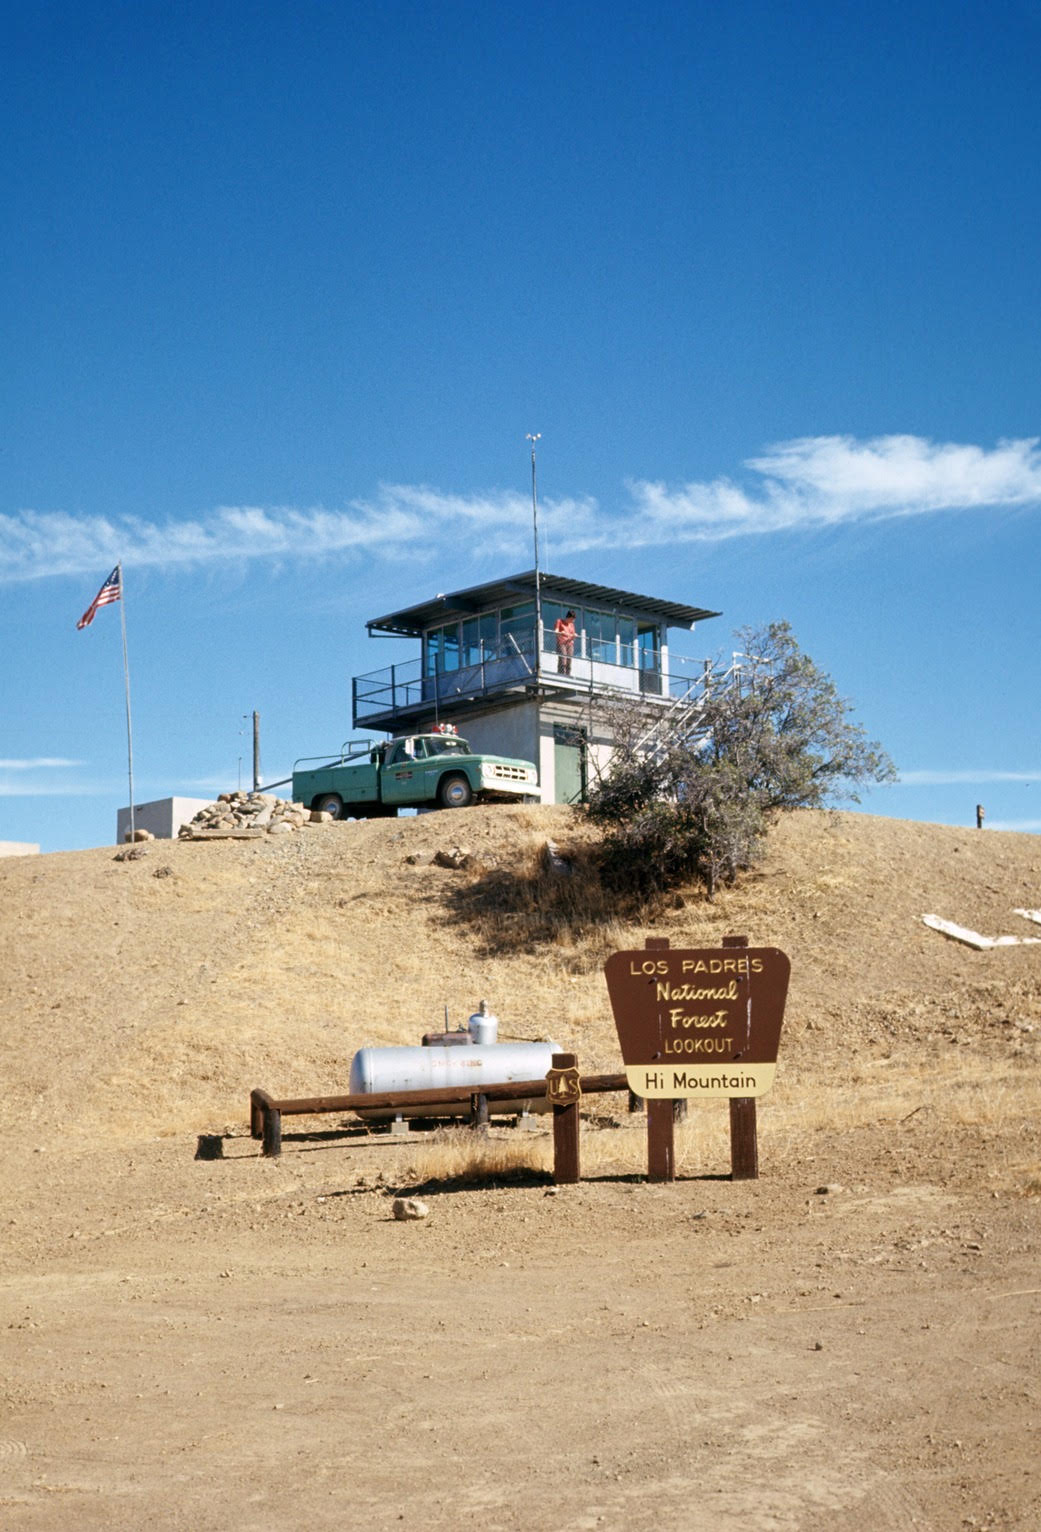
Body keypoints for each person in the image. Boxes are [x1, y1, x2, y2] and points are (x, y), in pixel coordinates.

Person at [554, 610, 576, 675]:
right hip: (561, 643)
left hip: (569, 644)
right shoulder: (559, 621)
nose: (573, 621)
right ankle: (561, 674)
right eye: (572, 619)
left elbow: (572, 635)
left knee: (569, 659)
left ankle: (568, 674)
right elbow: (556, 631)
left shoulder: (571, 625)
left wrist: (574, 636)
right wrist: (561, 633)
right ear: (569, 617)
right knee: (563, 659)